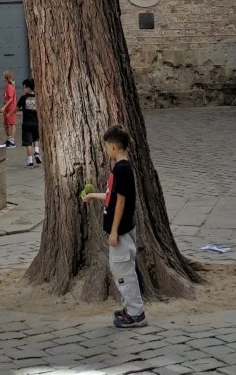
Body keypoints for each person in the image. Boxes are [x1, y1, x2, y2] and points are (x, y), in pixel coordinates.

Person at [81, 123, 146, 328]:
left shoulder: (123, 169)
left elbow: (120, 201)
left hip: (122, 230)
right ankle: (130, 307)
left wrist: (115, 230)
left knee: (123, 271)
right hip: (120, 229)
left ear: (113, 147)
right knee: (120, 269)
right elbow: (111, 196)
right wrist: (93, 195)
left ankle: (136, 313)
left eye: (106, 146)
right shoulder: (119, 168)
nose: (106, 149)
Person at [17, 78, 40, 167]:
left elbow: (16, 108)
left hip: (26, 123)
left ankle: (30, 162)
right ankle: (37, 152)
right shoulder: (37, 97)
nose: (24, 89)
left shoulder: (23, 98)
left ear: (29, 88)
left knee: (28, 143)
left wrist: (9, 113)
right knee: (36, 139)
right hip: (36, 122)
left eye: (24, 87)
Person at [1, 70, 16, 147]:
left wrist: (4, 107)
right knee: (6, 124)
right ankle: (9, 138)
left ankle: (12, 141)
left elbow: (10, 99)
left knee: (11, 124)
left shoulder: (10, 87)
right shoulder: (6, 87)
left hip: (11, 108)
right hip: (7, 108)